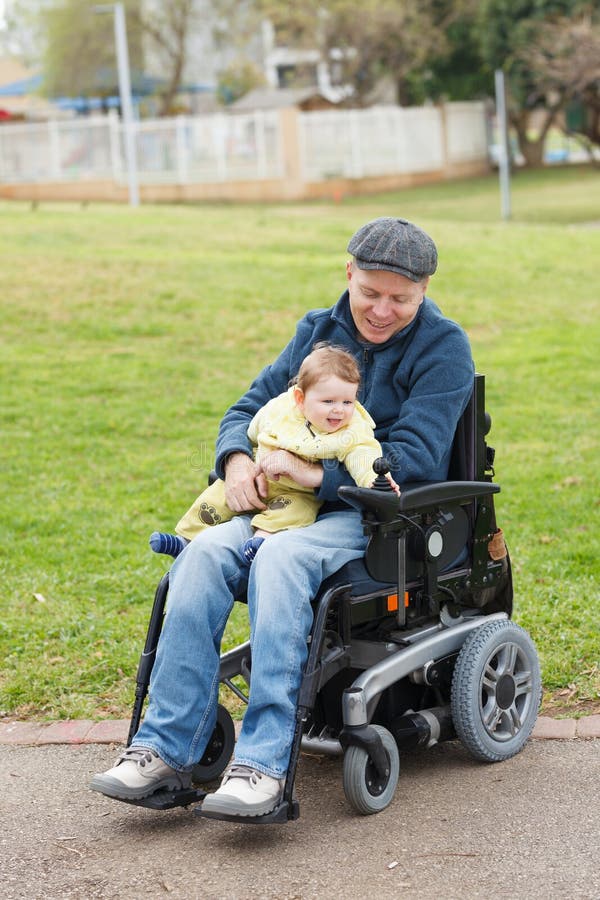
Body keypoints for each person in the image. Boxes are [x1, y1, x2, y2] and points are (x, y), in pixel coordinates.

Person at [90, 216, 475, 818]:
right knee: (204, 555)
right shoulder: (318, 333)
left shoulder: (442, 347)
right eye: (369, 292)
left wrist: (314, 475)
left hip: (376, 519)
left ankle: (263, 764)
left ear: (424, 290)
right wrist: (238, 460)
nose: (381, 310)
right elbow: (247, 406)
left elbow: (418, 457)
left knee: (280, 560)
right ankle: (163, 750)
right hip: (280, 509)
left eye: (400, 299)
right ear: (349, 273)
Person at [149, 343, 399, 564]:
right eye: (328, 402)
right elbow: (255, 425)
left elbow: (363, 455)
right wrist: (241, 457)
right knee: (216, 496)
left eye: (347, 402)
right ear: (301, 399)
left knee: (294, 512)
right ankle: (185, 539)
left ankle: (260, 541)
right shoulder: (282, 408)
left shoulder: (352, 429)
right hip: (260, 477)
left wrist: (374, 480)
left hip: (298, 491)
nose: (339, 411)